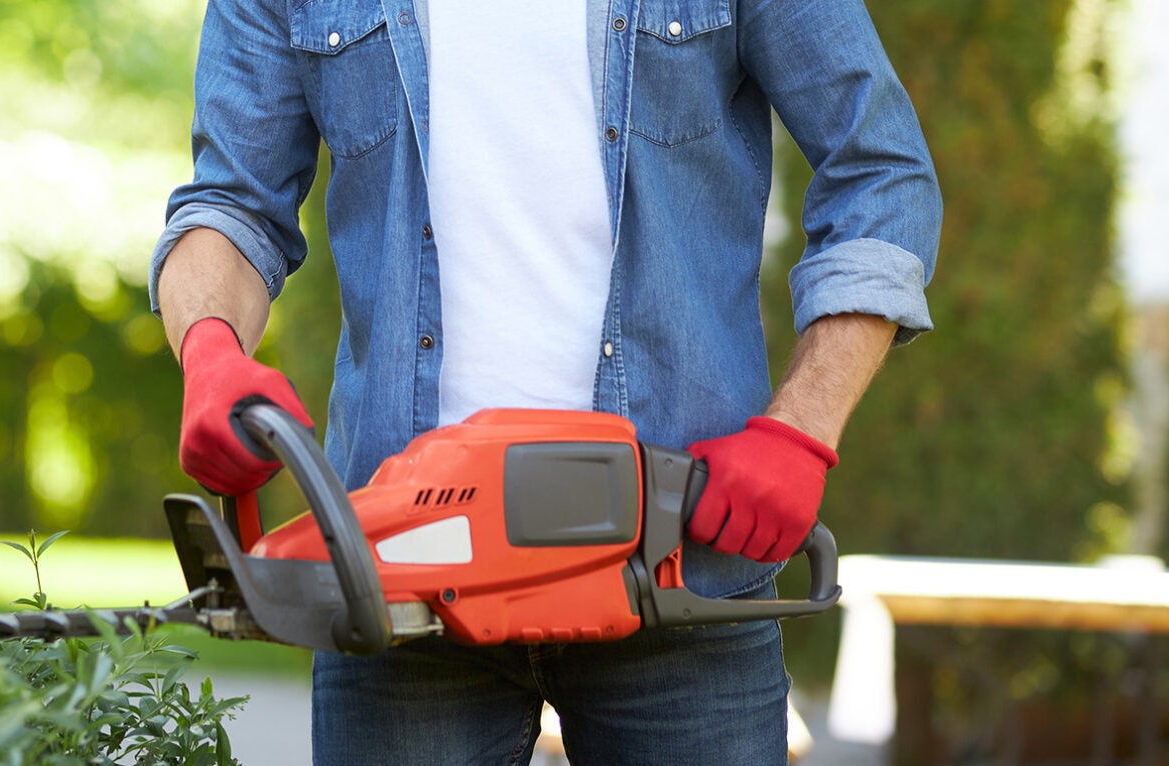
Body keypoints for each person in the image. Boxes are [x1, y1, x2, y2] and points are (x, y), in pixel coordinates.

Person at [150, 0, 940, 762]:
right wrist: (211, 347)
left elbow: (879, 171)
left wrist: (800, 430)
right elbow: (233, 203)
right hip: (400, 577)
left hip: (678, 564)